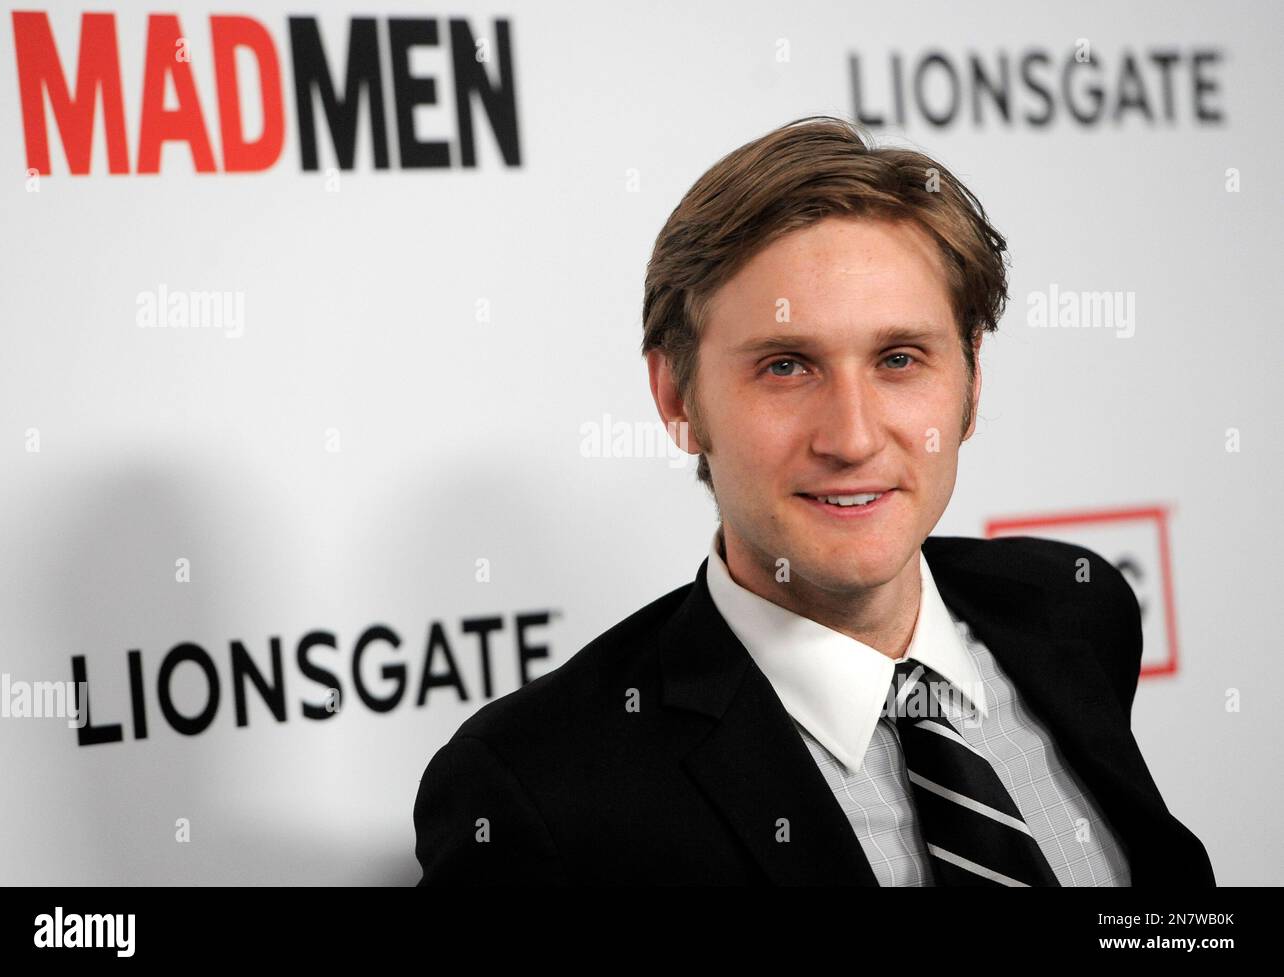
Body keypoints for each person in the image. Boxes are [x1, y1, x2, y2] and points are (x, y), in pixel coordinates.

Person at [411, 116, 1215, 885]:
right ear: (676, 397)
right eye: (787, 367)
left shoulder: (1073, 610)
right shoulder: (541, 789)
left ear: (971, 380)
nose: (853, 436)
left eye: (899, 359)